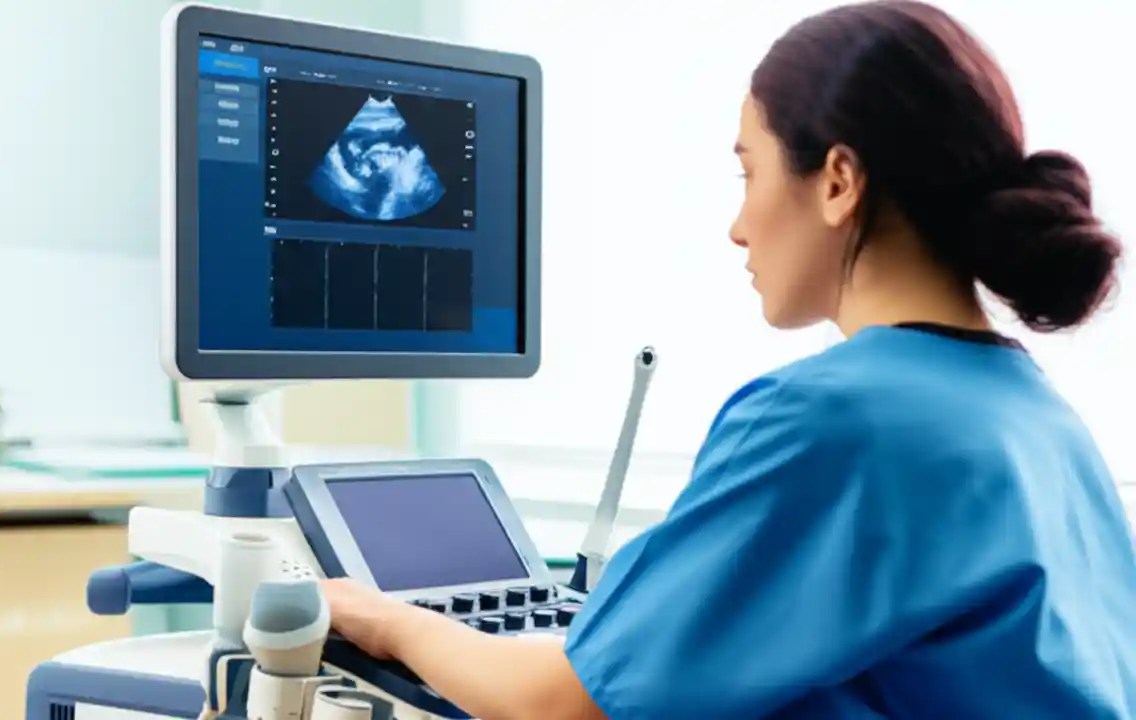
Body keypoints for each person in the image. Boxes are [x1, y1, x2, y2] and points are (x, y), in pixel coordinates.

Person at [321, 1, 1136, 717]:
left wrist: (387, 622)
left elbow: (569, 705)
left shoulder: (834, 417)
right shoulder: (1038, 415)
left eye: (748, 173)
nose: (738, 226)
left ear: (839, 180)